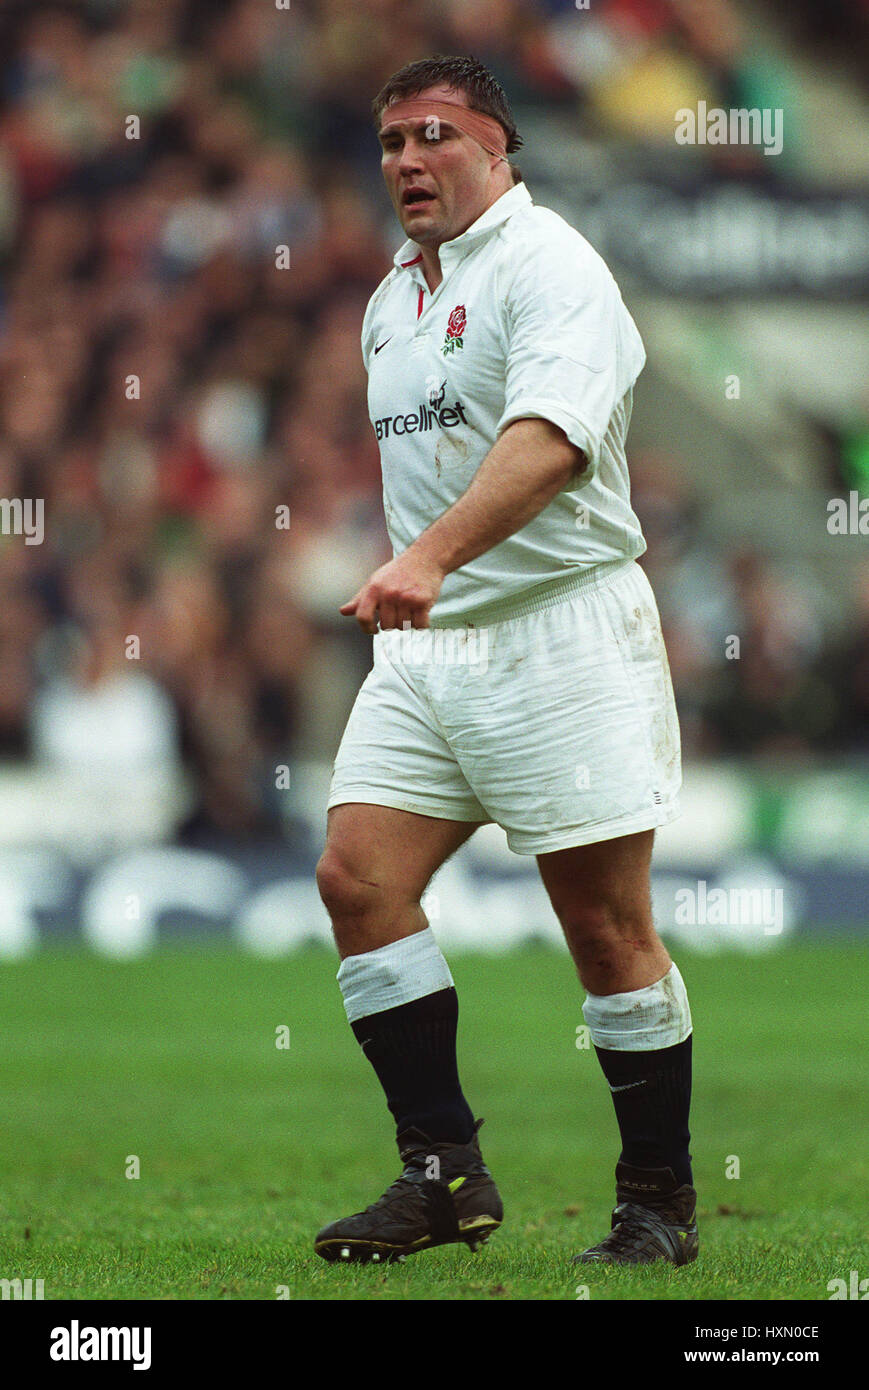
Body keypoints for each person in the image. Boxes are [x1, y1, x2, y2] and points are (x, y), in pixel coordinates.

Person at [313, 54, 696, 1268]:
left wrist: (425, 557)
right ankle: (439, 1172)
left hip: (557, 629)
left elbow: (550, 442)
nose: (407, 160)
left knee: (604, 929)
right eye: (390, 142)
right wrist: (417, 570)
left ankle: (657, 1203)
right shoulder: (392, 297)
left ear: (497, 146)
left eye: (434, 135)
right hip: (429, 648)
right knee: (356, 880)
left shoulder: (551, 264)